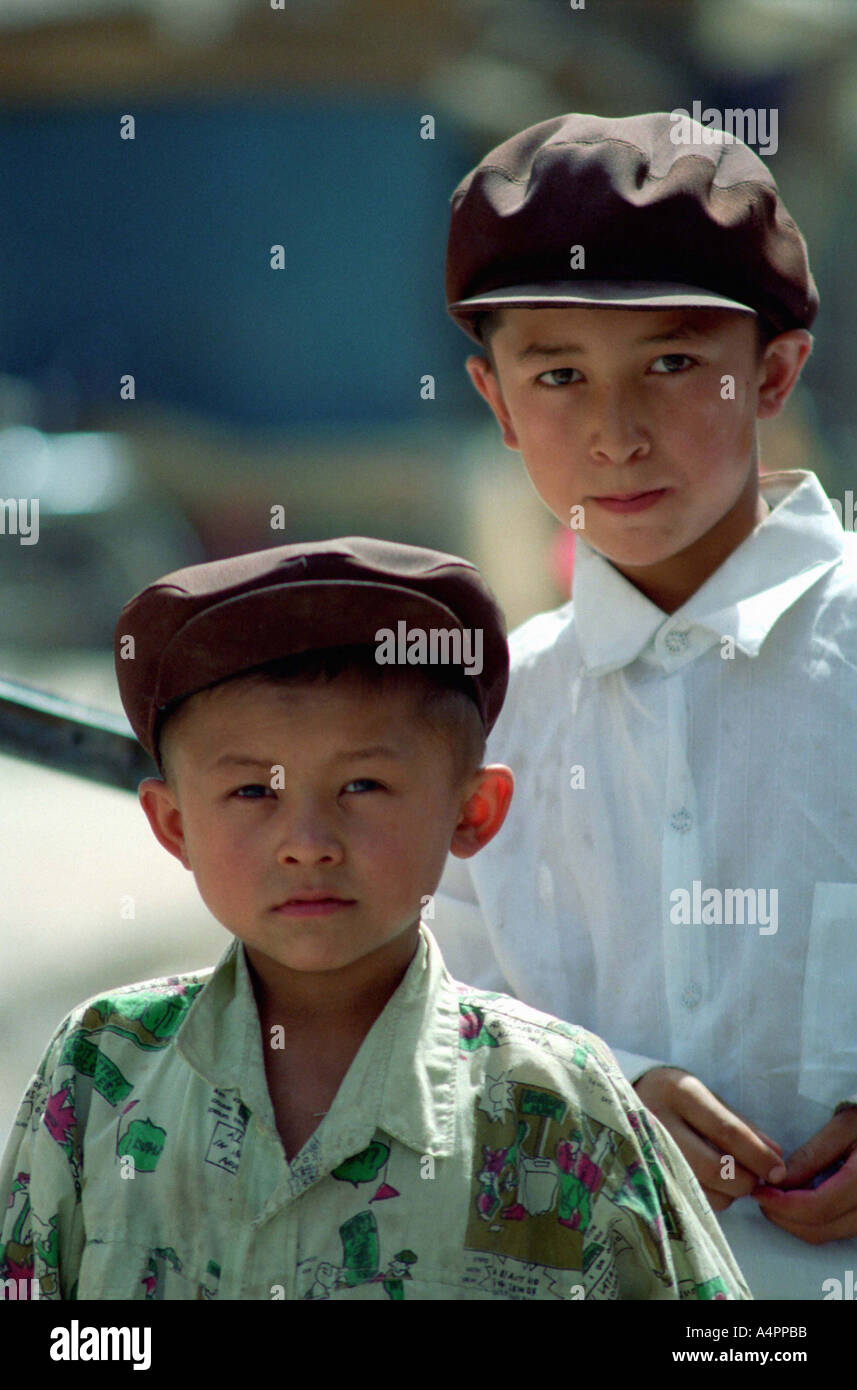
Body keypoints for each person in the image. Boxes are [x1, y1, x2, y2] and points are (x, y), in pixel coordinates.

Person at [0, 536, 749, 1301]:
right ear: (173, 827)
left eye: (361, 785)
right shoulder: (102, 1068)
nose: (308, 845)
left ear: (473, 811)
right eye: (253, 793)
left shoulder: (558, 1104)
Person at [432, 111, 857, 1299]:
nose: (614, 435)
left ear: (771, 371)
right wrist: (596, 1102)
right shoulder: (487, 712)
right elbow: (429, 1027)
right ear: (497, 402)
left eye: (673, 364)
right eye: (557, 376)